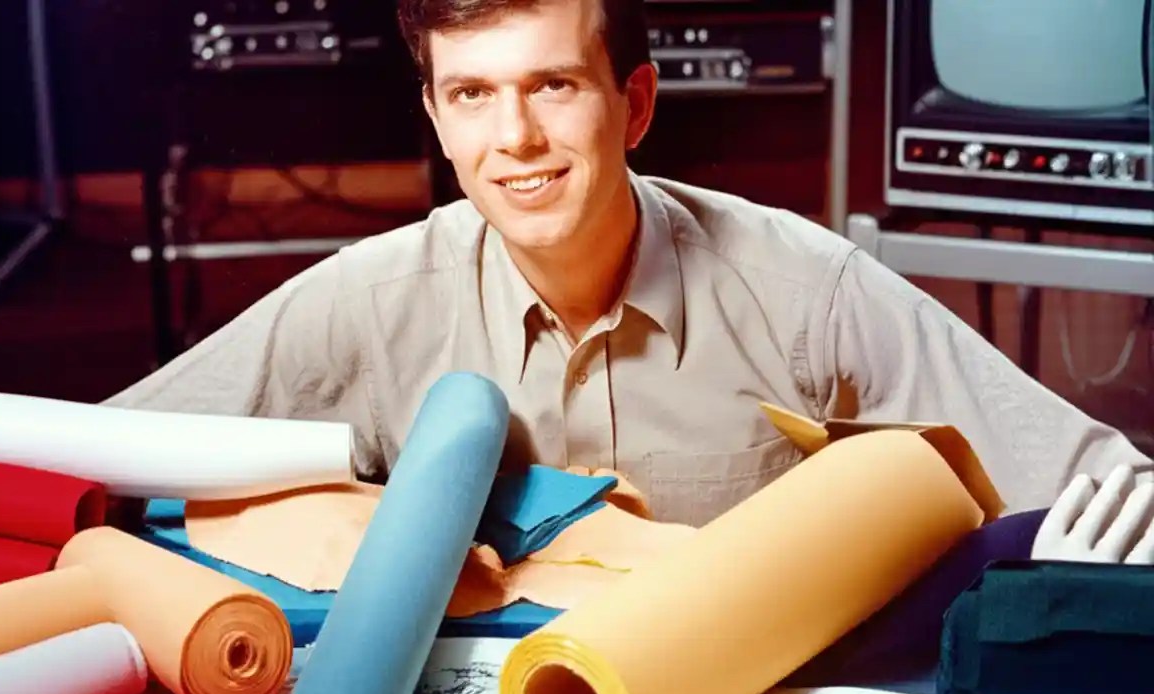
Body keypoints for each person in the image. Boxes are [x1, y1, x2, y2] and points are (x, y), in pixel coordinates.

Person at [104, 0, 1151, 527]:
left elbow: (1104, 490)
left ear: (634, 104)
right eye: (471, 94)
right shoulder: (366, 301)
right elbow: (89, 460)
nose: (512, 136)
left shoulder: (804, 289)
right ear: (434, 115)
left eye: (552, 85)